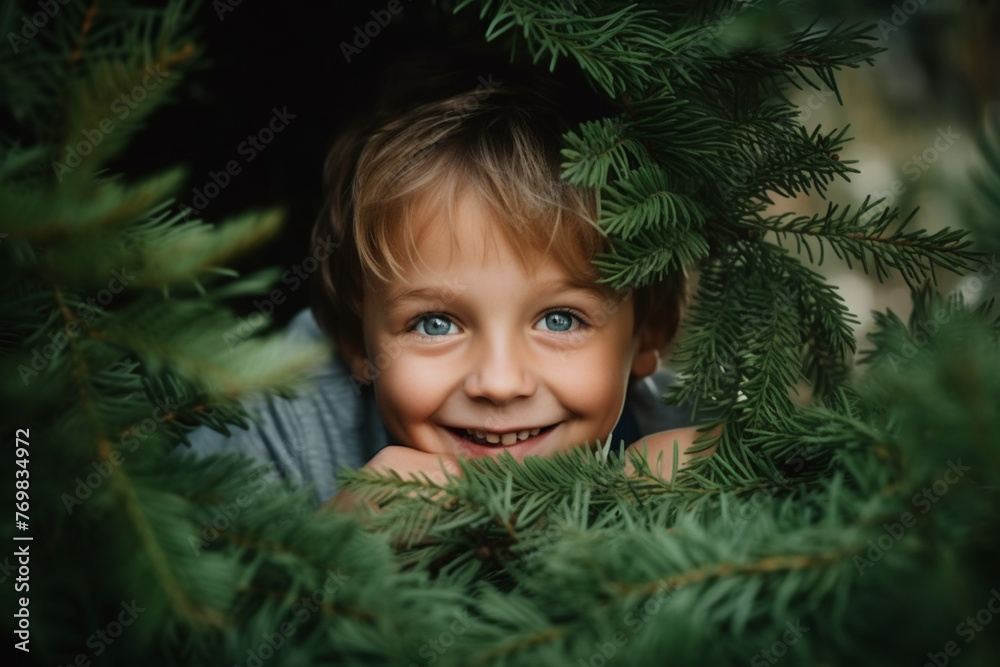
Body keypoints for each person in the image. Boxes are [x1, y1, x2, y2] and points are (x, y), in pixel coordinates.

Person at [188, 74, 712, 507]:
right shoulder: (272, 423)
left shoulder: (687, 442)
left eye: (561, 319)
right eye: (434, 323)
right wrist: (330, 559)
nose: (500, 384)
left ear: (649, 336)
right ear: (355, 340)